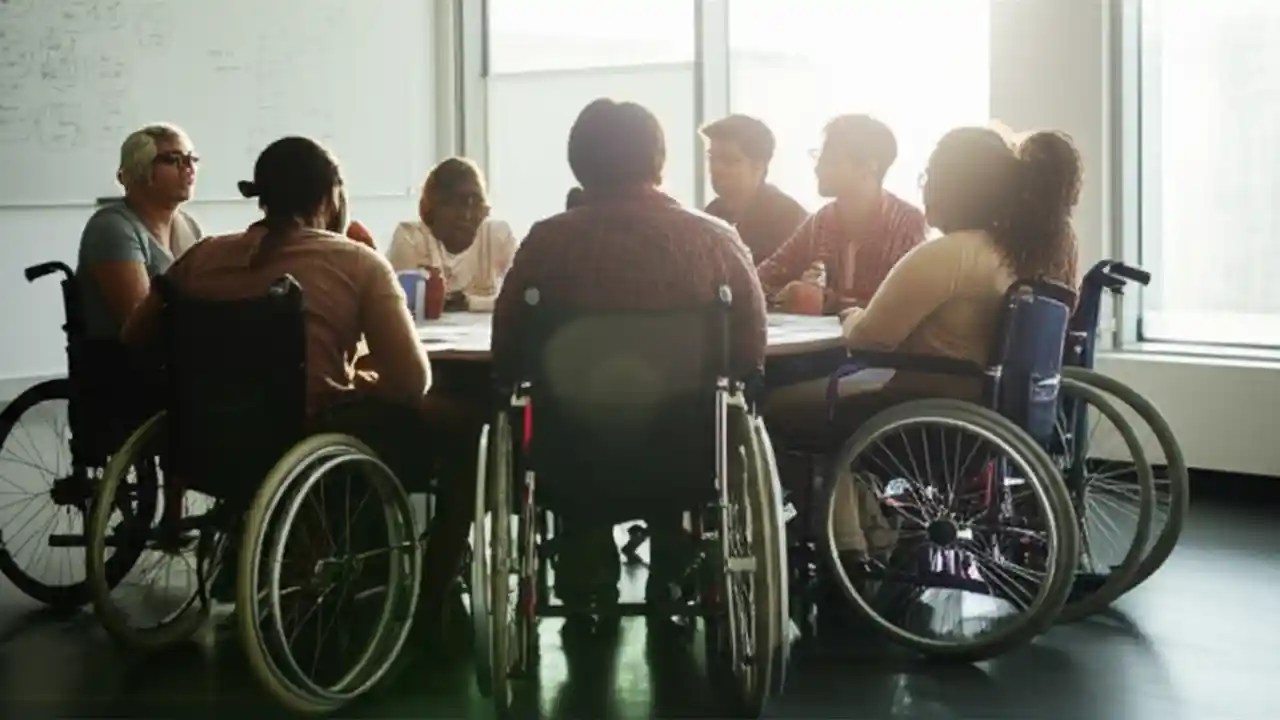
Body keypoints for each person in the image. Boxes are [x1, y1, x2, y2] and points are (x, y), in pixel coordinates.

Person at [121, 136, 483, 643]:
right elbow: (411, 382)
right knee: (469, 430)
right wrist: (359, 379)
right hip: (310, 439)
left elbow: (134, 337)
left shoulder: (202, 258)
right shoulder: (357, 262)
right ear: (330, 197)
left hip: (206, 439)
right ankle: (433, 595)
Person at [493, 98, 767, 607]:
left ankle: (583, 560)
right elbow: (749, 356)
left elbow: (507, 355)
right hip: (689, 454)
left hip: (572, 454)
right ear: (659, 161)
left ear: (579, 163)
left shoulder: (546, 243)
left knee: (555, 430)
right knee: (703, 418)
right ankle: (676, 550)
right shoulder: (716, 240)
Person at [766, 126, 1083, 557]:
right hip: (998, 416)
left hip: (923, 415)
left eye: (930, 175)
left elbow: (871, 337)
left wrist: (847, 313)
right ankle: (863, 525)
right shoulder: (1028, 258)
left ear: (953, 185)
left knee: (769, 410)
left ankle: (847, 538)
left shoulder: (951, 254)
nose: (924, 185)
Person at [756, 114, 927, 314]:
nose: (818, 168)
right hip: (829, 343)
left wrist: (826, 302)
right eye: (818, 157)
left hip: (879, 344)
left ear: (869, 166)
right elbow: (758, 281)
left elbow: (902, 306)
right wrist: (783, 297)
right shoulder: (821, 221)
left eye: (830, 160)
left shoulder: (905, 223)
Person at [77, 123, 203, 339]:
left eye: (192, 159)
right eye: (173, 160)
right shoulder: (113, 227)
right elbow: (139, 325)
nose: (188, 167)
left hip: (181, 352)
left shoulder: (189, 225)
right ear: (138, 169)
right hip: (127, 363)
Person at [387, 158, 517, 312]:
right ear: (429, 209)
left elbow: (521, 298)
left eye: (476, 203)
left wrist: (468, 303)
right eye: (457, 204)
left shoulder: (496, 235)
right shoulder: (410, 238)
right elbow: (403, 305)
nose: (467, 215)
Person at [701, 114, 808, 262]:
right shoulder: (713, 213)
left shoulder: (788, 219)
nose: (715, 168)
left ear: (759, 165)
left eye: (728, 160)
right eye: (712, 158)